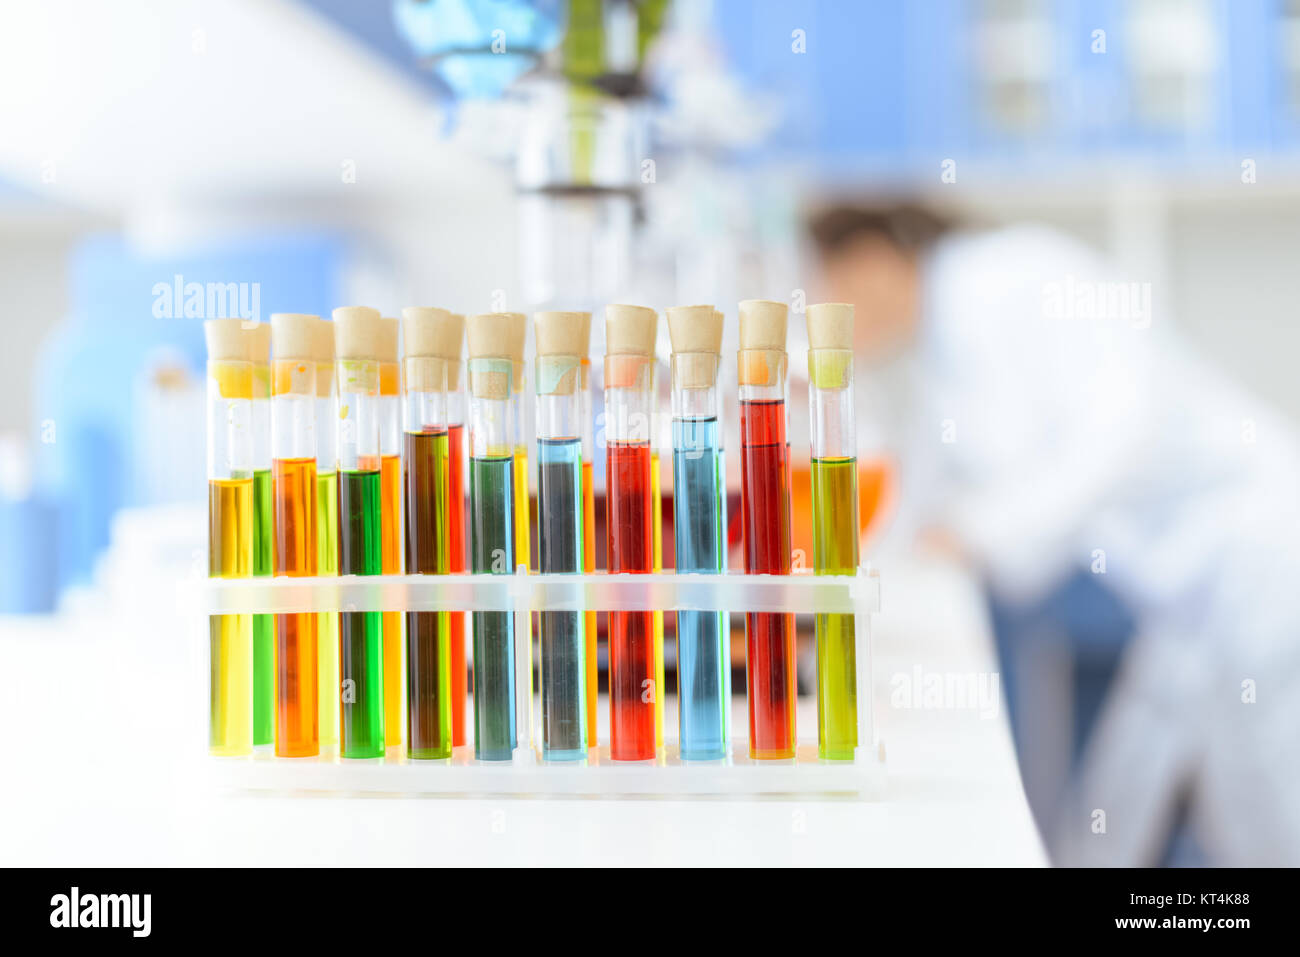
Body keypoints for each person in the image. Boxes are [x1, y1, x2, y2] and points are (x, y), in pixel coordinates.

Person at [809, 203, 1300, 866]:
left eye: (829, 283)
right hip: (1192, 595)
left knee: (1264, 810)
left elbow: (1123, 426)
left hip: (1257, 554)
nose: (828, 306)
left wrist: (980, 531)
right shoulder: (942, 336)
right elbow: (921, 497)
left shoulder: (1010, 275)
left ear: (872, 258)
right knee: (1131, 815)